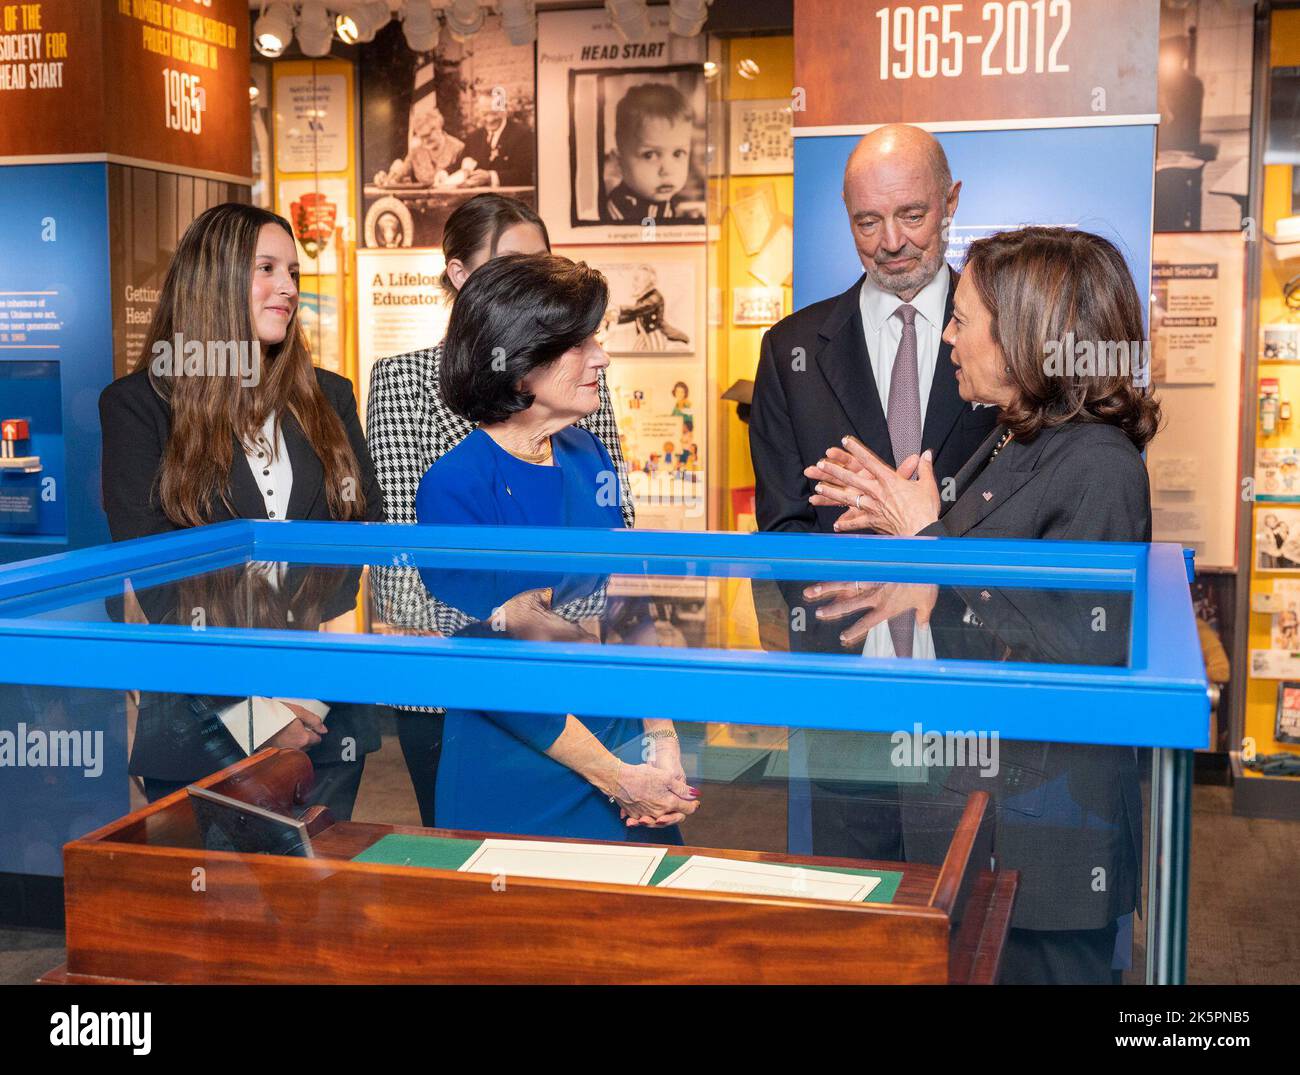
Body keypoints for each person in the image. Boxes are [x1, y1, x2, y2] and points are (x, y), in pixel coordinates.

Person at [803, 225, 1161, 985]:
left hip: (1050, 840)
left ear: (1030, 335)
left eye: (963, 321)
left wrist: (927, 536)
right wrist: (922, 526)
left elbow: (1080, 648)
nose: (949, 341)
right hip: (992, 811)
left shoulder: (1098, 463)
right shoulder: (1016, 438)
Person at [749, 123, 998, 862]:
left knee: (964, 928)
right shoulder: (790, 351)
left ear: (952, 201)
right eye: (866, 221)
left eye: (912, 215)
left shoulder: (1009, 346)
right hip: (844, 709)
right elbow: (781, 533)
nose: (890, 241)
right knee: (851, 926)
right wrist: (861, 582)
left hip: (973, 700)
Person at [98, 203, 384, 817]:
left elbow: (358, 545)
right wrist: (255, 714)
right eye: (266, 268)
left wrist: (310, 699)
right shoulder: (137, 407)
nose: (287, 288)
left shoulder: (330, 396)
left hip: (323, 719)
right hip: (203, 728)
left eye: (293, 273)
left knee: (318, 909)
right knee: (210, 911)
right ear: (215, 280)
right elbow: (158, 590)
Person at [366, 194, 632, 826]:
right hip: (468, 685)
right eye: (517, 267)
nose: (537, 283)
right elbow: (419, 565)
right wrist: (499, 619)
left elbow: (616, 555)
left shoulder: (581, 436)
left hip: (586, 686)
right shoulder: (419, 410)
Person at [416, 253, 699, 841]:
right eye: (579, 343)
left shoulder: (587, 454)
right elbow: (492, 670)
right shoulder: (456, 485)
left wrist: (661, 741)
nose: (601, 356)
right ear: (519, 363)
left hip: (626, 753)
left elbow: (629, 608)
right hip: (523, 771)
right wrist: (616, 776)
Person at [602, 83, 703, 224]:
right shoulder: (624, 210)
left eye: (678, 153)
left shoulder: (660, 200)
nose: (667, 170)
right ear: (619, 161)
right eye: (649, 155)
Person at [455, 90, 534, 188]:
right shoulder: (474, 137)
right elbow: (457, 165)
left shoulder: (523, 135)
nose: (490, 119)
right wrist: (442, 174)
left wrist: (490, 177)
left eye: (494, 113)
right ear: (478, 112)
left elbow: (524, 174)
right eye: (484, 114)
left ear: (505, 110)